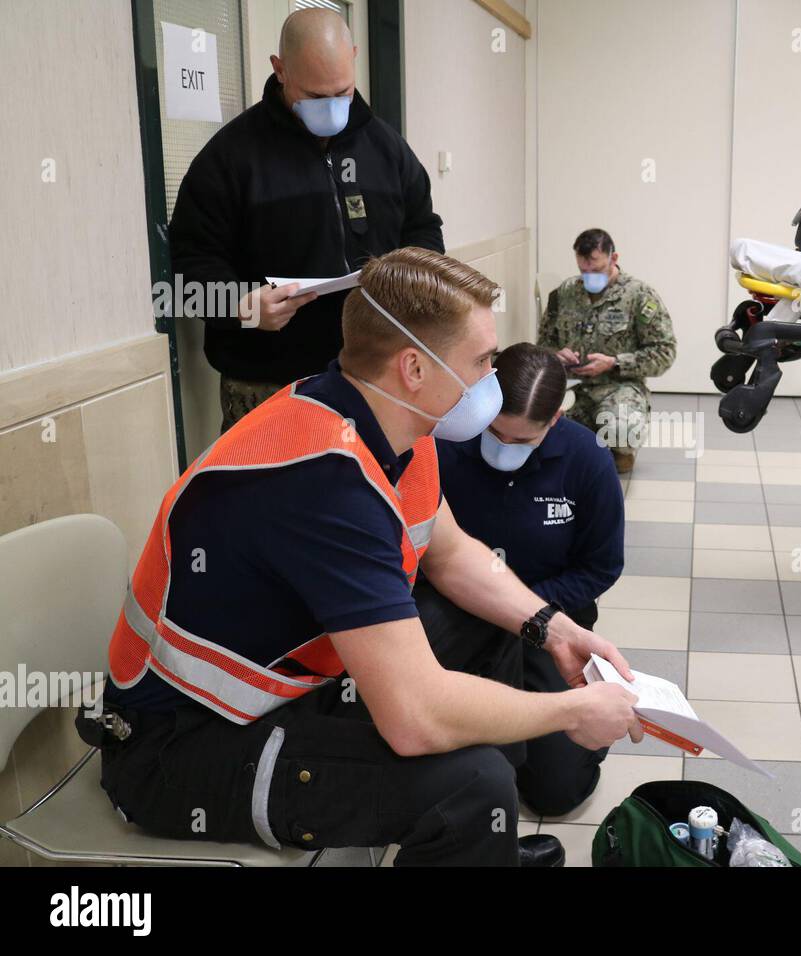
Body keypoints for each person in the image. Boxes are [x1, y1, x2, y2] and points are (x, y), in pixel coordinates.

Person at [81, 248, 643, 867]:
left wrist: (553, 628)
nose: (490, 380)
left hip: (283, 693)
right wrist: (572, 710)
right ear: (414, 368)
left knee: (491, 626)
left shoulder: (389, 424)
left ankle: (487, 847)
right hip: (183, 750)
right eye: (482, 362)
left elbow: (452, 556)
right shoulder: (325, 481)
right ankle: (477, 829)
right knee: (470, 784)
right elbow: (415, 719)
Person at [169, 7, 445, 431]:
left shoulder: (387, 149)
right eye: (315, 97)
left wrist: (409, 280)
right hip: (268, 386)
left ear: (353, 56)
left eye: (344, 92)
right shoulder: (229, 159)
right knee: (269, 496)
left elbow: (424, 229)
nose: (333, 108)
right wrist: (242, 307)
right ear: (280, 70)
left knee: (368, 493)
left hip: (374, 377)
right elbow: (187, 281)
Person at [435, 343, 626, 816]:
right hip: (458, 608)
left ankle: (575, 738)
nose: (504, 449)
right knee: (438, 745)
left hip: (552, 620)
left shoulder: (587, 460)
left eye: (523, 442)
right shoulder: (444, 444)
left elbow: (601, 566)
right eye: (495, 433)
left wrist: (527, 609)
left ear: (555, 420)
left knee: (556, 791)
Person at [539, 228, 677, 473]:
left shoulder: (639, 296)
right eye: (583, 271)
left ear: (614, 259)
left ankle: (617, 451)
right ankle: (586, 447)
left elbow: (664, 352)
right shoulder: (563, 294)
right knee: (536, 430)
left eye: (596, 270)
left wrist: (614, 362)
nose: (589, 277)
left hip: (618, 387)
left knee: (619, 431)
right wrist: (557, 354)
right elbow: (542, 346)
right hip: (570, 387)